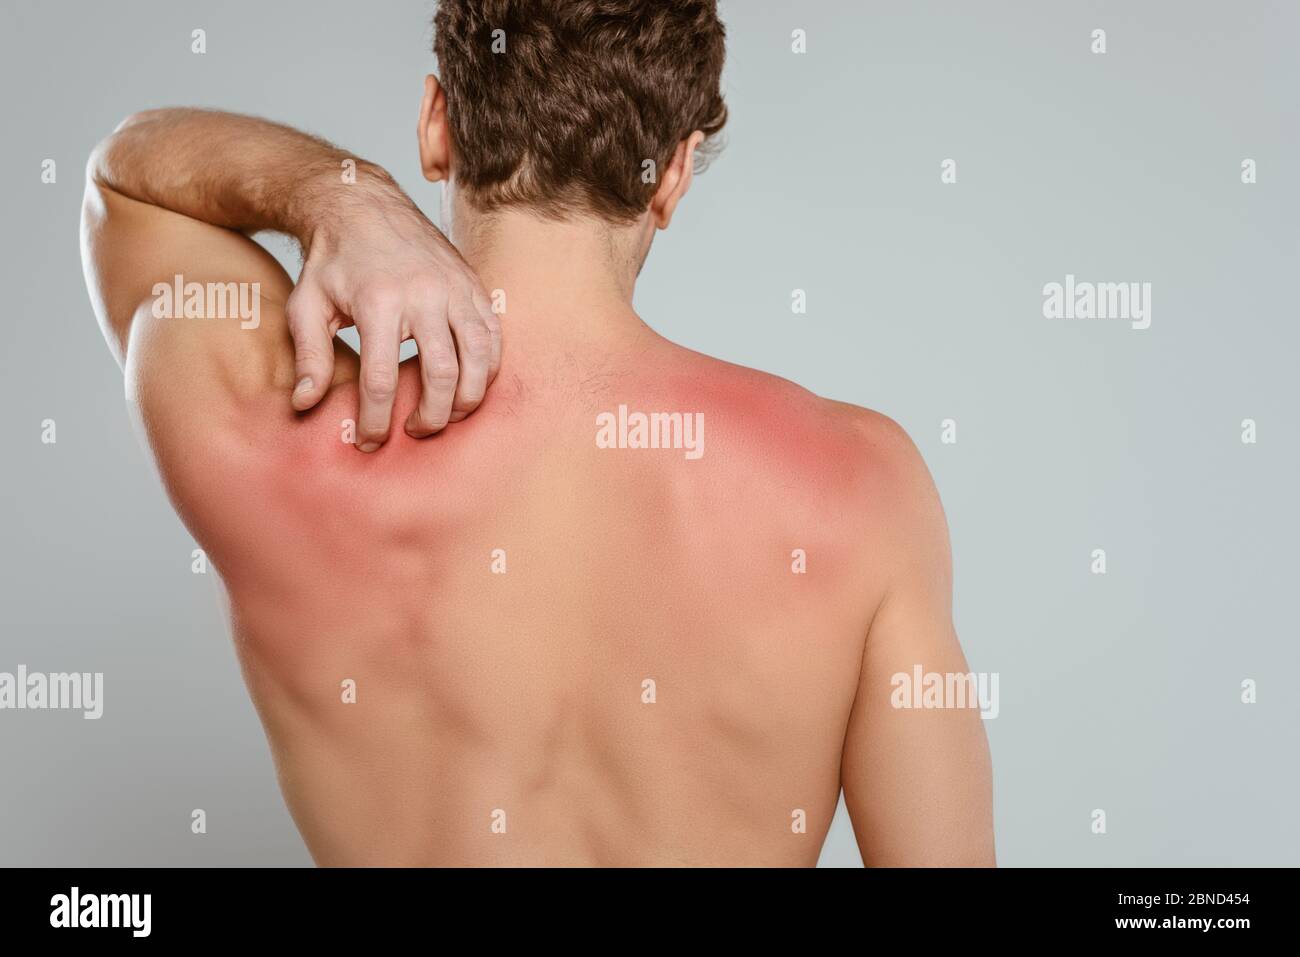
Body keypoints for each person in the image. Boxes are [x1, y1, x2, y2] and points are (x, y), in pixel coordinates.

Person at [80, 0, 993, 866]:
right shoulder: (863, 485)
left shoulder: (281, 428)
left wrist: (341, 192)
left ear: (437, 125)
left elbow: (124, 185)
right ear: (671, 174)